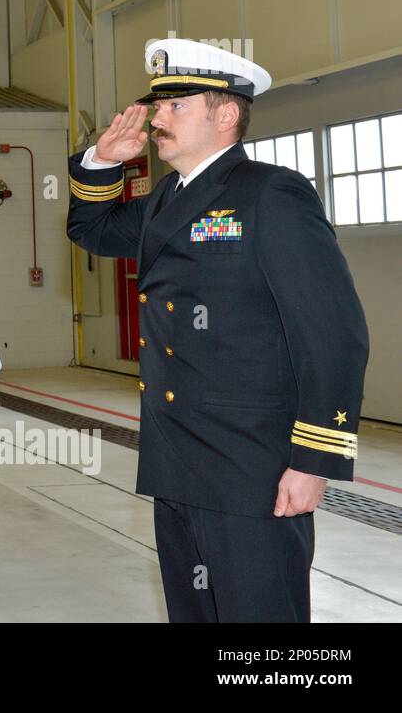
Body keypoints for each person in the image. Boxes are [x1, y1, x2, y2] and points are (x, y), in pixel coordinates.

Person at [66, 38, 368, 623]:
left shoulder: (269, 193)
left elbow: (334, 333)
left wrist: (313, 461)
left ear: (225, 115)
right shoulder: (165, 199)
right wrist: (102, 160)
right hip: (177, 459)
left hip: (251, 467)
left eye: (175, 106)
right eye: (157, 107)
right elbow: (93, 230)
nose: (157, 118)